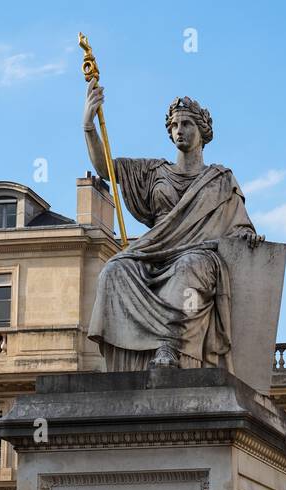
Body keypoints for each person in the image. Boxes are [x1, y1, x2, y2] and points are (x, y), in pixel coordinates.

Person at [83, 86, 263, 371]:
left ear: (202, 132)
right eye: (175, 125)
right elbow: (106, 169)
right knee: (113, 270)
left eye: (187, 124)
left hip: (200, 254)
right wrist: (89, 126)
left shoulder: (220, 179)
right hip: (154, 252)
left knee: (187, 267)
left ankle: (170, 344)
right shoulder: (154, 171)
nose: (180, 130)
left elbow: (239, 224)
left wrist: (245, 236)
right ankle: (123, 363)